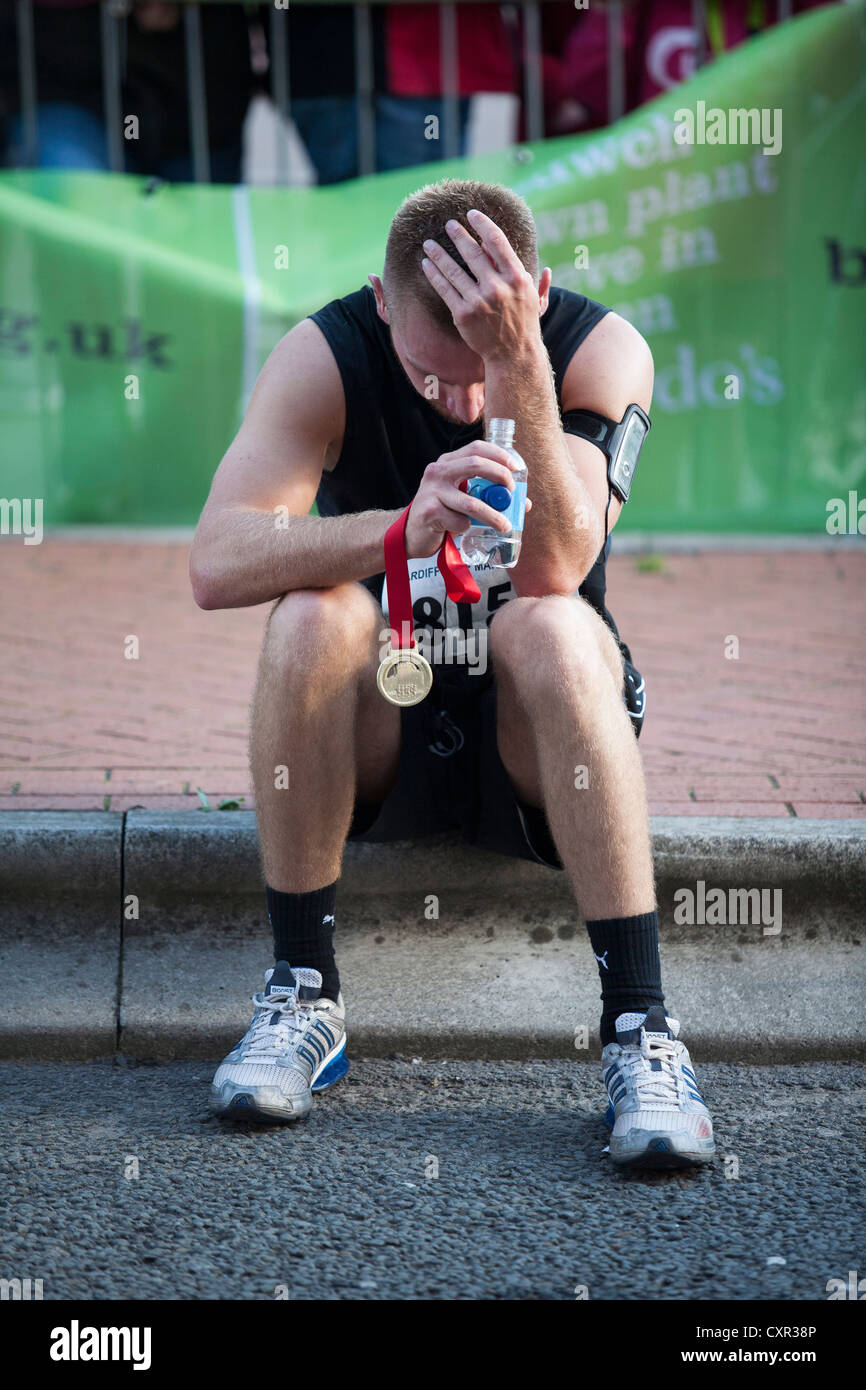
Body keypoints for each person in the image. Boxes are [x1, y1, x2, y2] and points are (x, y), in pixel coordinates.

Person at [189, 177, 715, 1170]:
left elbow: (557, 562)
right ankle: (303, 989)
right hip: (385, 718)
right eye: (434, 382)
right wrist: (396, 530)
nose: (463, 405)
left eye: (481, 373)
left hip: (539, 730)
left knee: (549, 625)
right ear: (381, 304)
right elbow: (216, 561)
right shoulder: (327, 350)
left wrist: (518, 360)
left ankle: (640, 1029)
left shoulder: (598, 350)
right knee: (309, 614)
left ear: (535, 293)